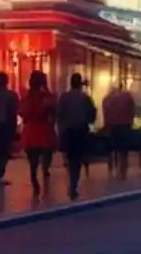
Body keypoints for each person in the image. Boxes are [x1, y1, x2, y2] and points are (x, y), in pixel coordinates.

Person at [56, 72, 97, 200]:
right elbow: (92, 114)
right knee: (77, 159)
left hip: (67, 131)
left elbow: (59, 114)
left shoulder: (64, 97)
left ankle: (71, 182)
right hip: (80, 131)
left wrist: (60, 128)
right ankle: (73, 184)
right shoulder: (85, 98)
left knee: (69, 158)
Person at [18, 70, 57, 194]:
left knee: (33, 159)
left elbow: (21, 112)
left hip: (30, 130)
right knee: (46, 152)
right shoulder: (46, 97)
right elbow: (54, 107)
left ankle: (34, 178)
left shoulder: (27, 97)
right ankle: (45, 170)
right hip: (43, 129)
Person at [102, 83, 137, 180]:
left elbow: (106, 113)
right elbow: (132, 110)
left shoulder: (107, 99)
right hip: (125, 126)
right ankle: (123, 173)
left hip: (112, 127)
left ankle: (112, 169)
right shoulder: (127, 96)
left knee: (112, 149)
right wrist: (131, 121)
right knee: (123, 151)